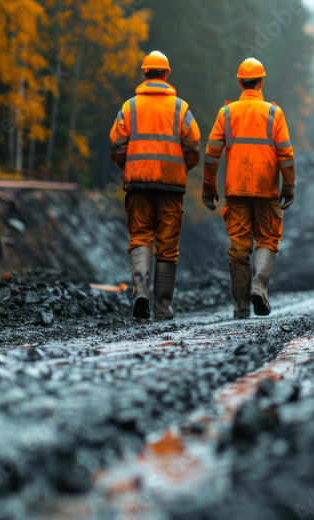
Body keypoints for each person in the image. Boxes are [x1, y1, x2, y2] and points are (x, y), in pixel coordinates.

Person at [110, 51, 201, 320]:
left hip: (138, 185)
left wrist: (127, 165)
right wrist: (184, 167)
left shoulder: (129, 107)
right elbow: (193, 145)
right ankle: (162, 306)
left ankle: (140, 293)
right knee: (168, 246)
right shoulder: (180, 108)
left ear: (144, 73)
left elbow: (116, 144)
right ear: (166, 74)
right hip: (171, 187)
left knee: (140, 238)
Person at [201, 58, 295, 319]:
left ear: (240, 82)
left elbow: (211, 153)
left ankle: (241, 306)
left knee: (239, 249)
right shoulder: (275, 113)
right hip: (266, 189)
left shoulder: (226, 113)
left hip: (236, 188)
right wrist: (289, 186)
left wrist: (209, 186)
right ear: (262, 81)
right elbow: (286, 155)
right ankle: (259, 287)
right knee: (267, 239)